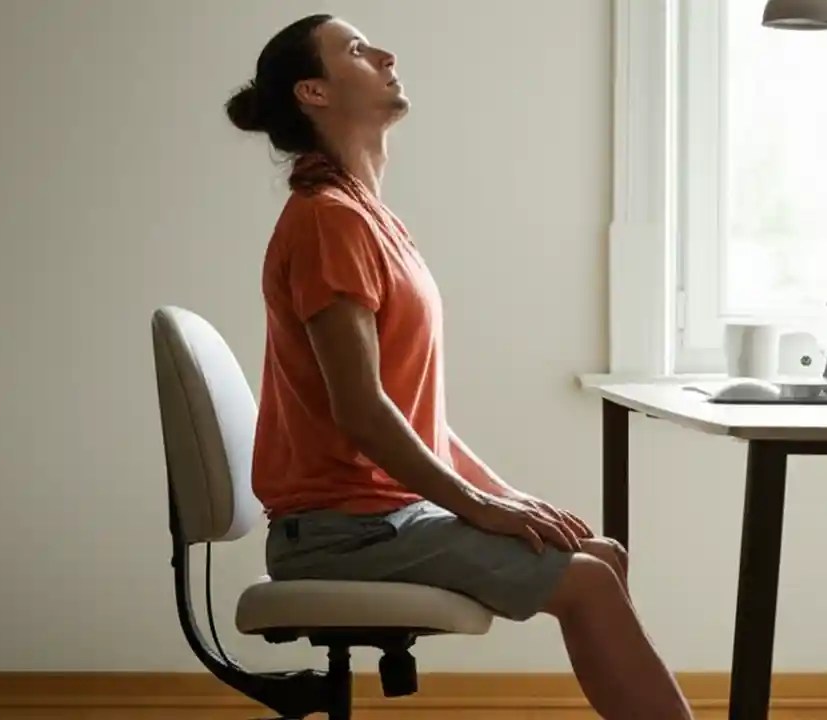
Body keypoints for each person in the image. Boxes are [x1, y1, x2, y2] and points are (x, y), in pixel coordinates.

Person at [224, 14, 693, 720]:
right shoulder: (328, 220)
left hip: (383, 517)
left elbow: (415, 420)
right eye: (357, 50)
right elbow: (362, 412)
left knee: (601, 556)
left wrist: (507, 498)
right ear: (313, 91)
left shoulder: (368, 217)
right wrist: (480, 507)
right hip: (342, 531)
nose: (386, 54)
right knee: (589, 582)